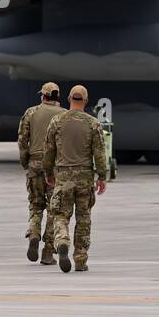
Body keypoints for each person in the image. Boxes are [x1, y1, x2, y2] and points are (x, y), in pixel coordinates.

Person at [43, 85, 107, 273]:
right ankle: (80, 259)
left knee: (60, 215)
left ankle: (62, 240)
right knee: (83, 218)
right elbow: (100, 154)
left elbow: (49, 152)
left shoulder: (57, 121)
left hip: (63, 176)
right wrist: (102, 176)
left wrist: (48, 172)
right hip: (85, 177)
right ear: (86, 101)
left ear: (69, 98)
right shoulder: (93, 124)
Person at [16, 82, 65, 265]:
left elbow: (22, 140)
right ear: (57, 97)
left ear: (43, 96)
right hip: (55, 166)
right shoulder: (64, 115)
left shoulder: (30, 112)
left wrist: (25, 163)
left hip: (34, 164)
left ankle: (34, 234)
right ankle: (47, 252)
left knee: (36, 205)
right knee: (55, 209)